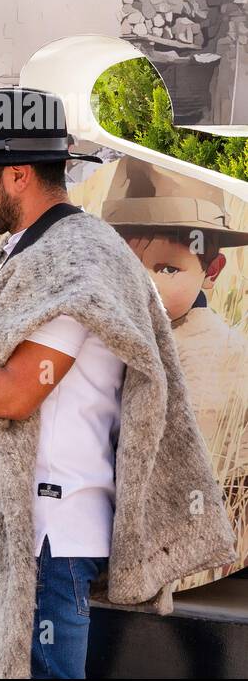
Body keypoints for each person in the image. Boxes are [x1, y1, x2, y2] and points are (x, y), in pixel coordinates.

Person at [0, 87, 236, 678]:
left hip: (43, 544)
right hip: (11, 535)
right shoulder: (28, 252)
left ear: (17, 175)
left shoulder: (72, 258)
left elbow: (16, 393)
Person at [102, 155, 248, 585]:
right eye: (126, 267)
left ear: (212, 271)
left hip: (187, 554)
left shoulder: (221, 356)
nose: (145, 285)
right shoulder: (110, 334)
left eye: (168, 269)